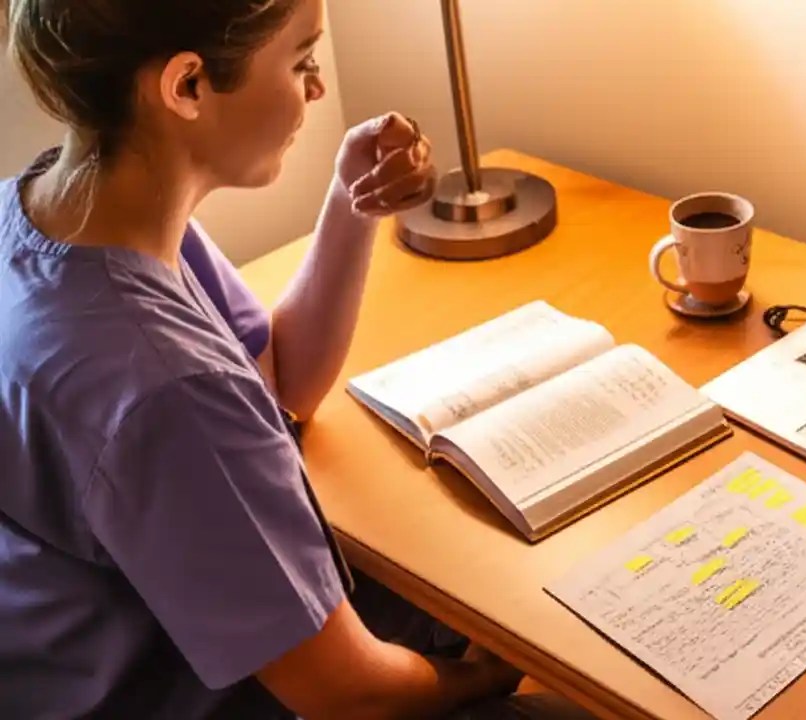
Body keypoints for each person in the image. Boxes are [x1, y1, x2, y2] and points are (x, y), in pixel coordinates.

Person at [0, 1, 590, 718]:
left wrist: (352, 201)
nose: (316, 92)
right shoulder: (161, 383)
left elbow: (280, 385)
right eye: (302, 62)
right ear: (187, 86)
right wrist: (493, 672)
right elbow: (348, 694)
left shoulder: (60, 216)